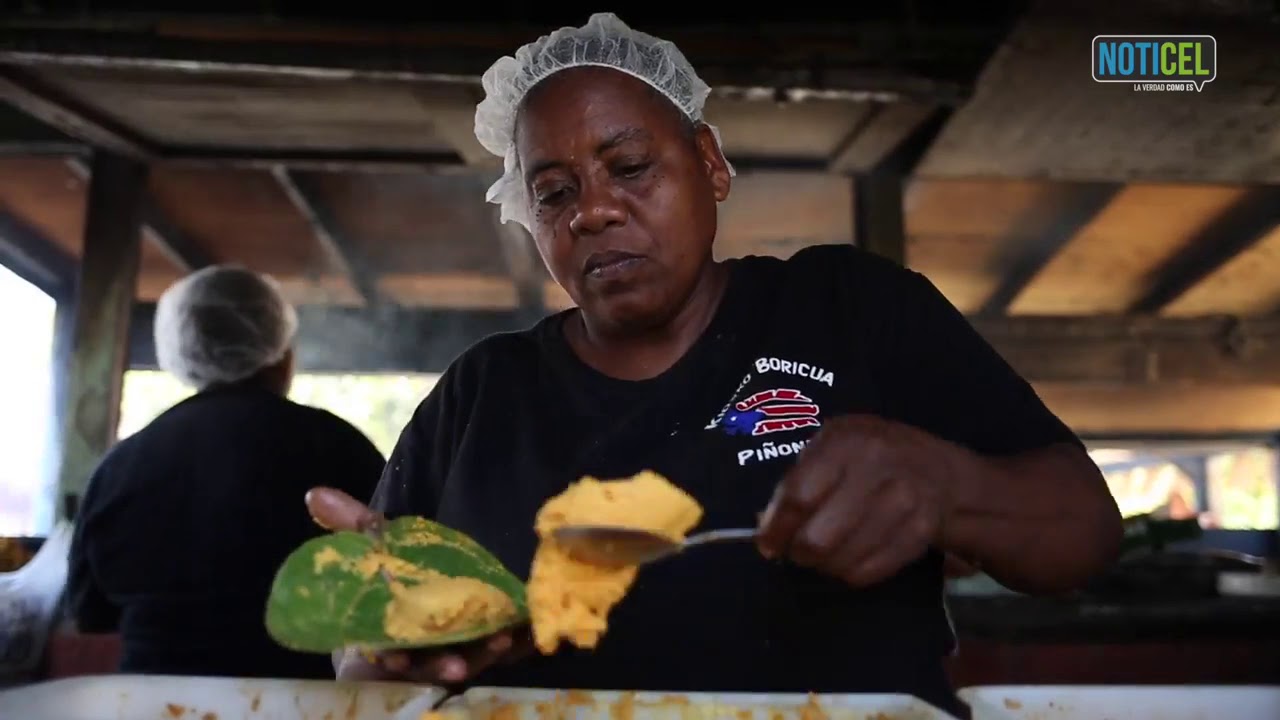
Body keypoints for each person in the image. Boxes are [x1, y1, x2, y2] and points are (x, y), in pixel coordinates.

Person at [311, 13, 1122, 714]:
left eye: (629, 167)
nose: (593, 209)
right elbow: (366, 660)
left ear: (710, 164)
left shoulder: (850, 309)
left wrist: (953, 489)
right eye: (554, 192)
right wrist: (394, 650)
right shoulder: (482, 394)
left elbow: (1084, 533)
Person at [65, 265, 386, 679]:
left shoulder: (122, 465)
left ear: (182, 352)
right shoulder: (341, 447)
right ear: (281, 352)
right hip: (303, 701)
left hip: (153, 701)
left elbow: (90, 614)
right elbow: (397, 584)